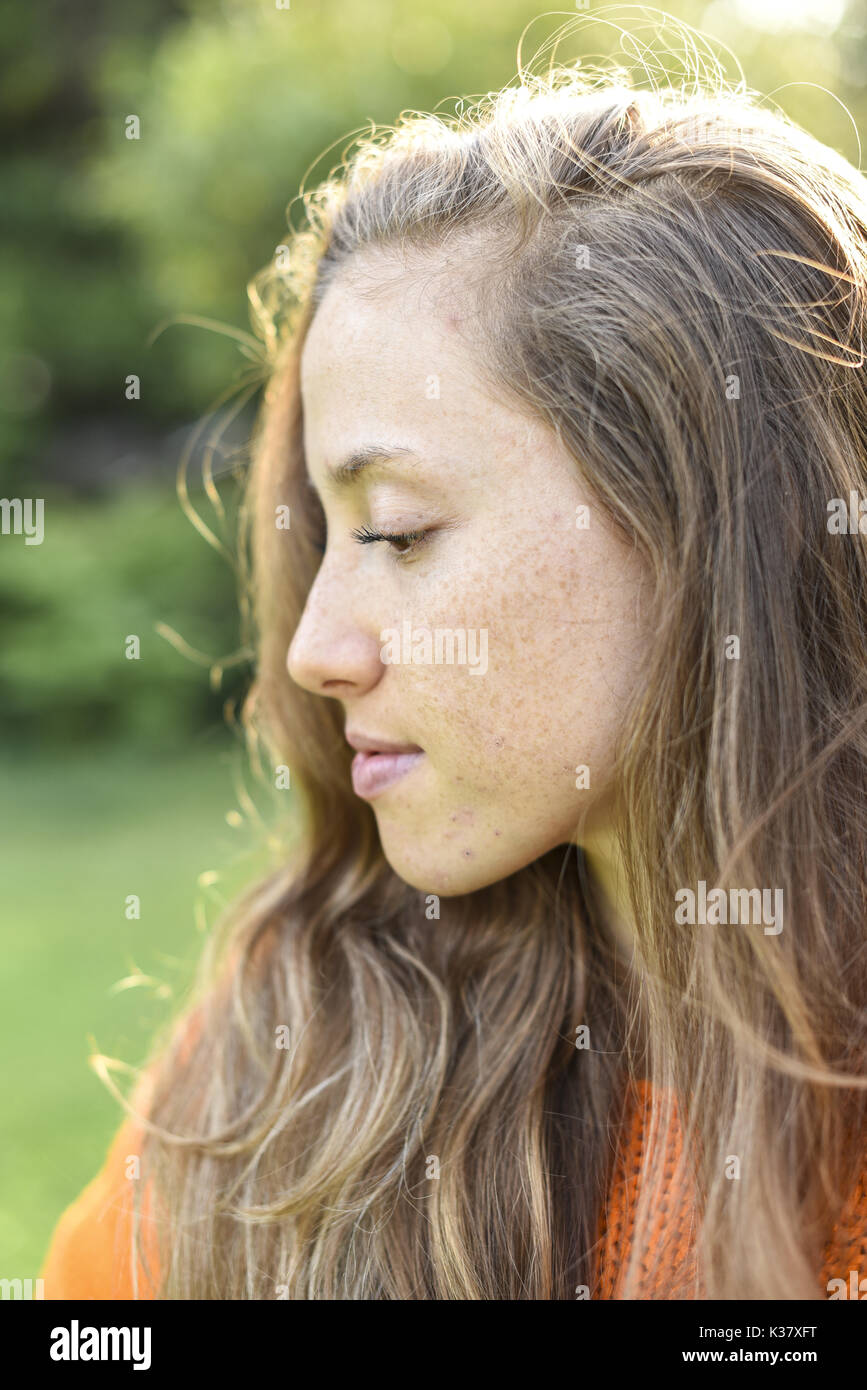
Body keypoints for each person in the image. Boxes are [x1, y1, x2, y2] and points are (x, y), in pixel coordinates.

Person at [41, 31, 867, 1300]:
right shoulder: (289, 1071)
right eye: (326, 537)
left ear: (714, 521)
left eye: (396, 531)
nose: (316, 653)